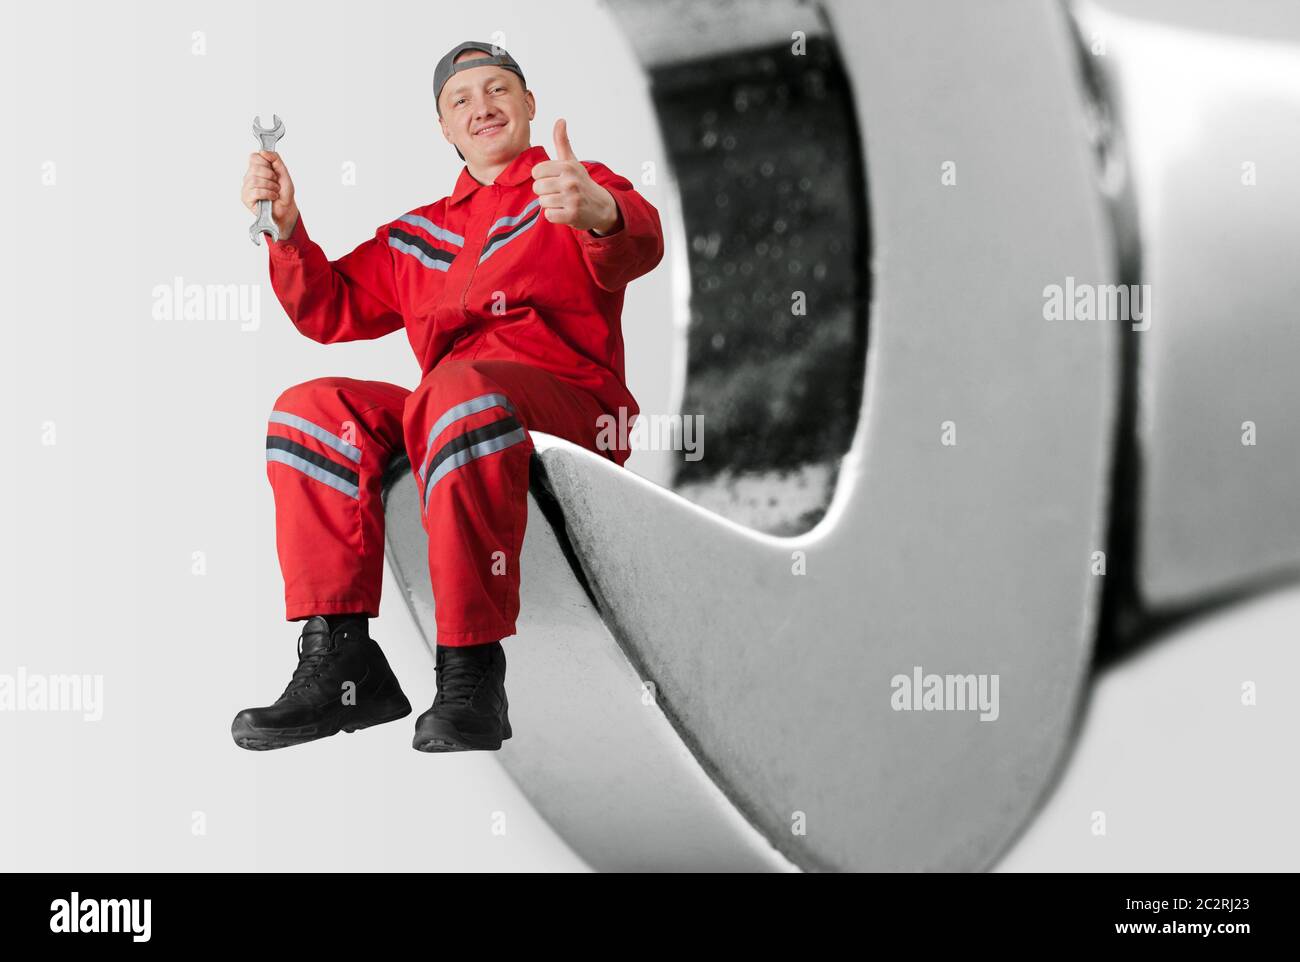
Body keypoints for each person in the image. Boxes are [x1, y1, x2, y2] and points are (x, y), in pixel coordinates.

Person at [230, 41, 664, 753]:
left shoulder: (571, 187)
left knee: (453, 392)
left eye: (499, 90)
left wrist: (599, 211)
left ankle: (471, 674)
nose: (481, 106)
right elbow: (329, 308)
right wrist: (283, 228)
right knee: (310, 409)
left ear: (528, 105)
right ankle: (344, 662)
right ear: (444, 128)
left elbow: (636, 242)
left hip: (570, 404)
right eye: (460, 99)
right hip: (455, 410)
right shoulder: (423, 233)